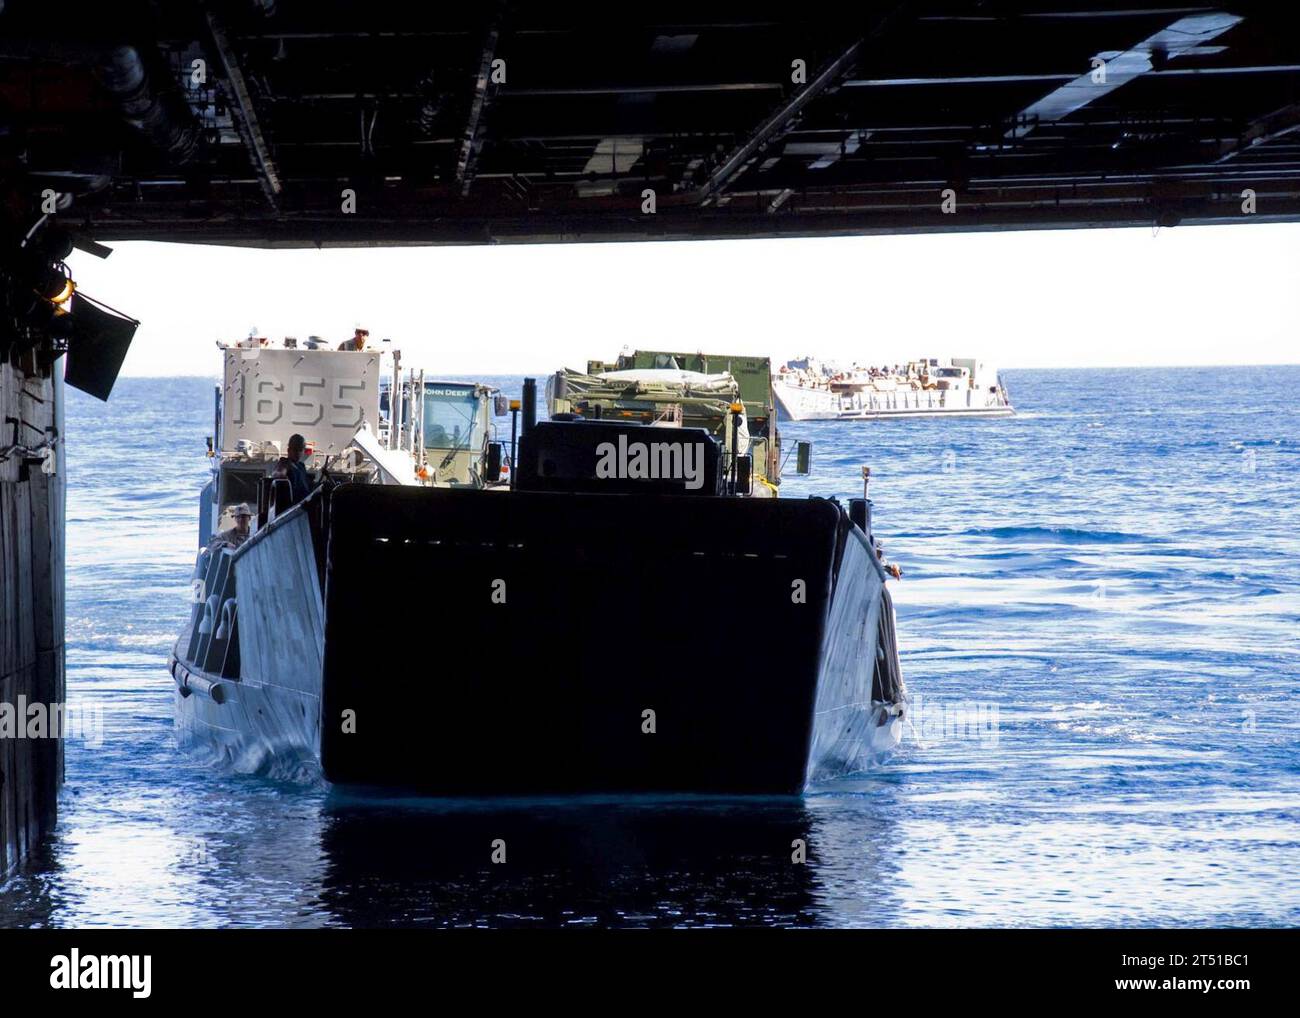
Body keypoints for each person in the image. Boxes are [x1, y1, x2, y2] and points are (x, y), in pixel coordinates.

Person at [273, 433, 312, 504]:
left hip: (304, 505)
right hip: (292, 509)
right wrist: (281, 475)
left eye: (300, 450)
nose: (298, 453)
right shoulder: (284, 462)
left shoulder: (301, 466)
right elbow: (278, 474)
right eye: (295, 449)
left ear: (303, 451)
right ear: (288, 450)